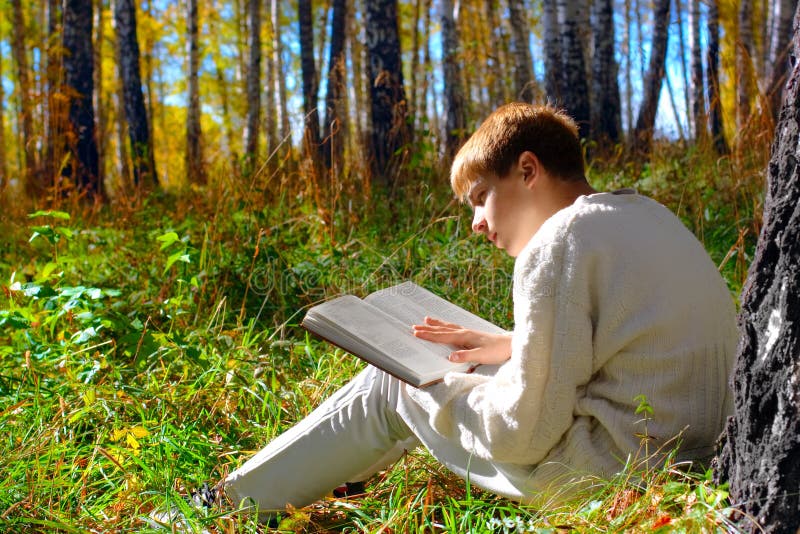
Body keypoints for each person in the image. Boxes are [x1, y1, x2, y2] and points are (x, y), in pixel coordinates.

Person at [221, 103, 737, 519]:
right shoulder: (646, 215)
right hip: (691, 459)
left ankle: (228, 504)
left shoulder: (556, 244)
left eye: (480, 197)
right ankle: (339, 479)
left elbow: (522, 432)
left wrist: (434, 388)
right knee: (461, 364)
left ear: (528, 170)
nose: (476, 222)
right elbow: (640, 335)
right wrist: (512, 346)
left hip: (604, 474)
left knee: (393, 386)